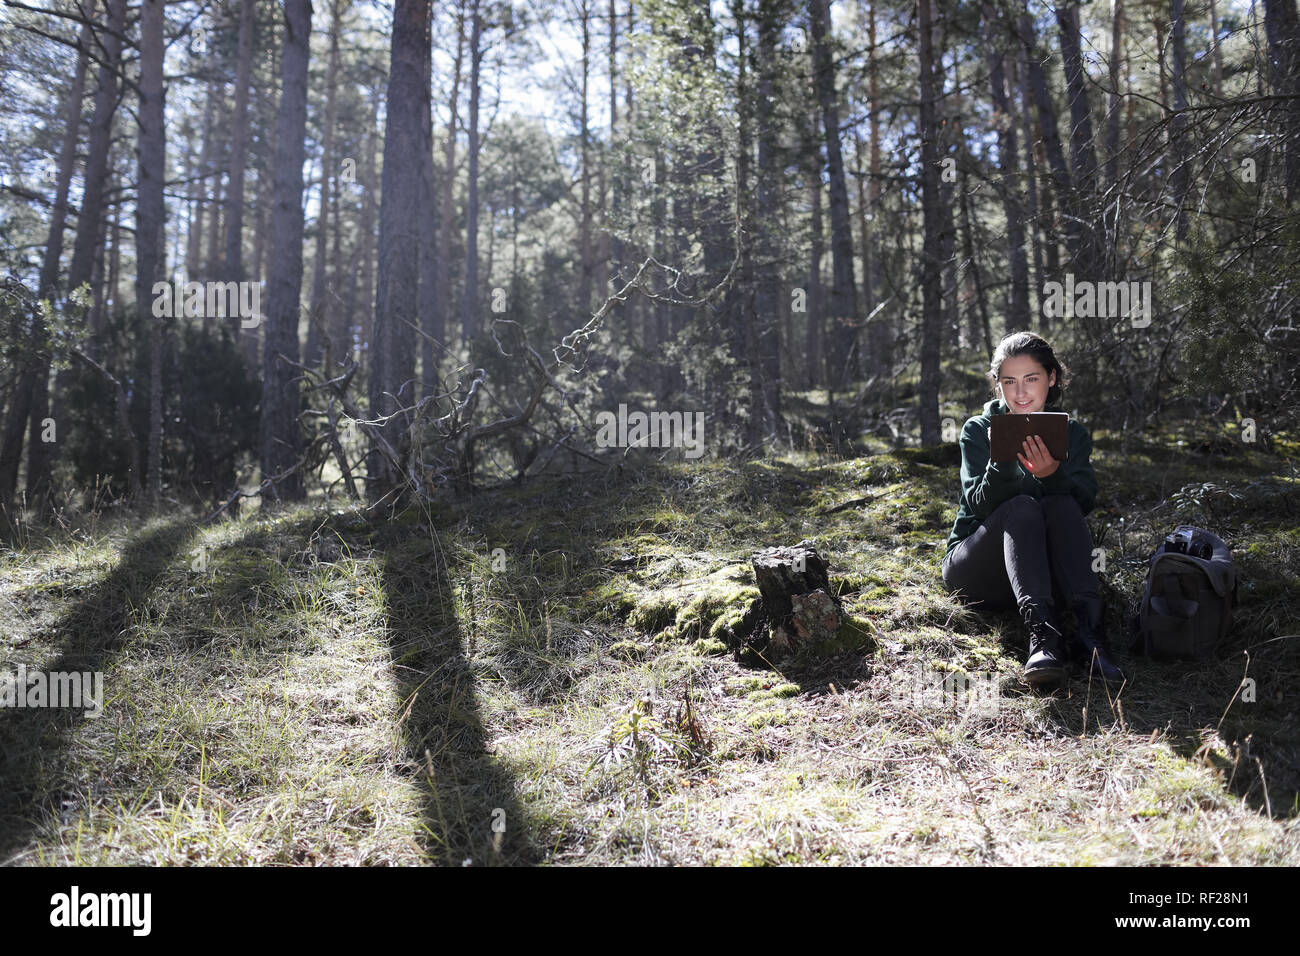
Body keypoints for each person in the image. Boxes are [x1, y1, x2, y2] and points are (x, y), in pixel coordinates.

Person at [941, 331, 1123, 687]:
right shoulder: (978, 430)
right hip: (978, 569)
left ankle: (1091, 640)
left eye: (1031, 379)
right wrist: (1002, 462)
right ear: (998, 385)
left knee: (1059, 502)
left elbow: (1082, 503)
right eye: (1009, 381)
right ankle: (1043, 640)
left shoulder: (1073, 434)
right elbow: (977, 504)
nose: (1020, 392)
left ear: (1051, 378)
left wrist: (1053, 475)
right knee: (1022, 507)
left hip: (1044, 572)